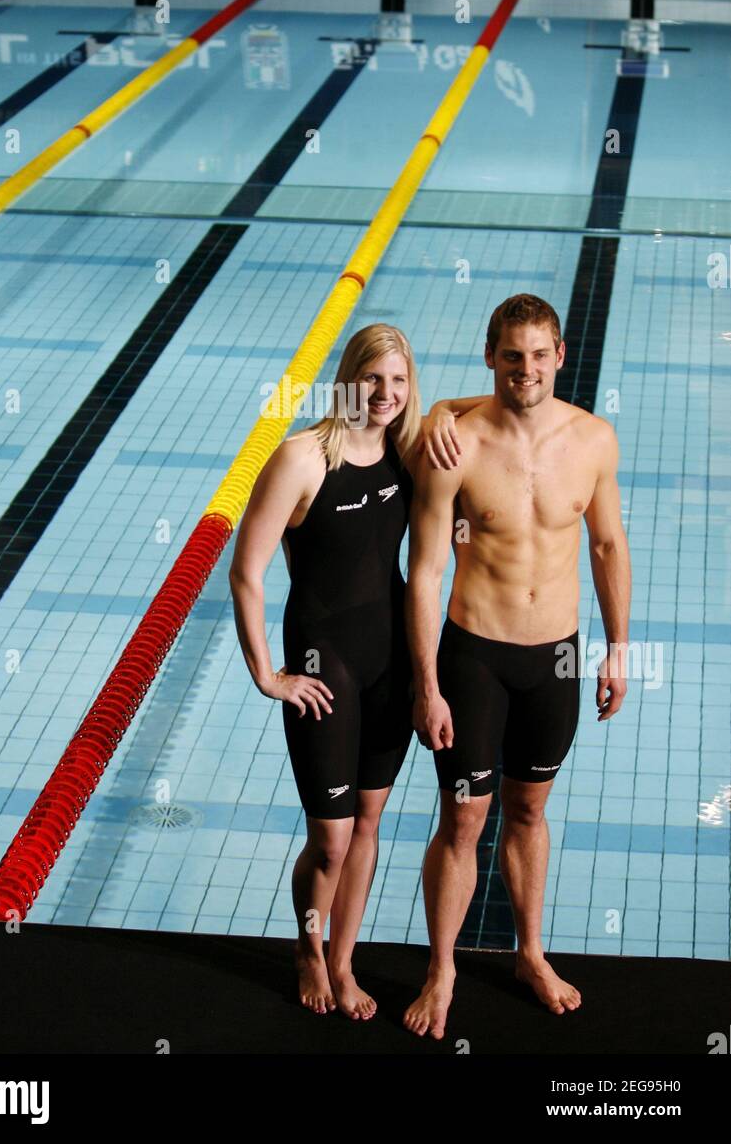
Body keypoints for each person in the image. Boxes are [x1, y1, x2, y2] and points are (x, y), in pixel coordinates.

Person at [229, 323, 479, 1019]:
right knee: (331, 840)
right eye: (373, 380)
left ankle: (342, 963)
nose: (385, 394)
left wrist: (428, 409)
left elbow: (476, 408)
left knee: (368, 822)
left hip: (391, 658)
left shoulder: (404, 449)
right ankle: (309, 949)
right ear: (348, 379)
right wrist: (265, 674)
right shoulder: (302, 458)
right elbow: (244, 574)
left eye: (399, 383)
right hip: (323, 664)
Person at [404, 293, 631, 1039]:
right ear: (489, 358)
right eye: (511, 355)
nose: (525, 369)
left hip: (555, 656)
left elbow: (605, 546)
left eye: (539, 354)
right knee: (463, 818)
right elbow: (426, 569)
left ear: (560, 356)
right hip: (475, 655)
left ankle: (530, 953)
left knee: (530, 811)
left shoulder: (593, 440)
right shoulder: (455, 446)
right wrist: (428, 682)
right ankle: (442, 967)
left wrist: (616, 648)